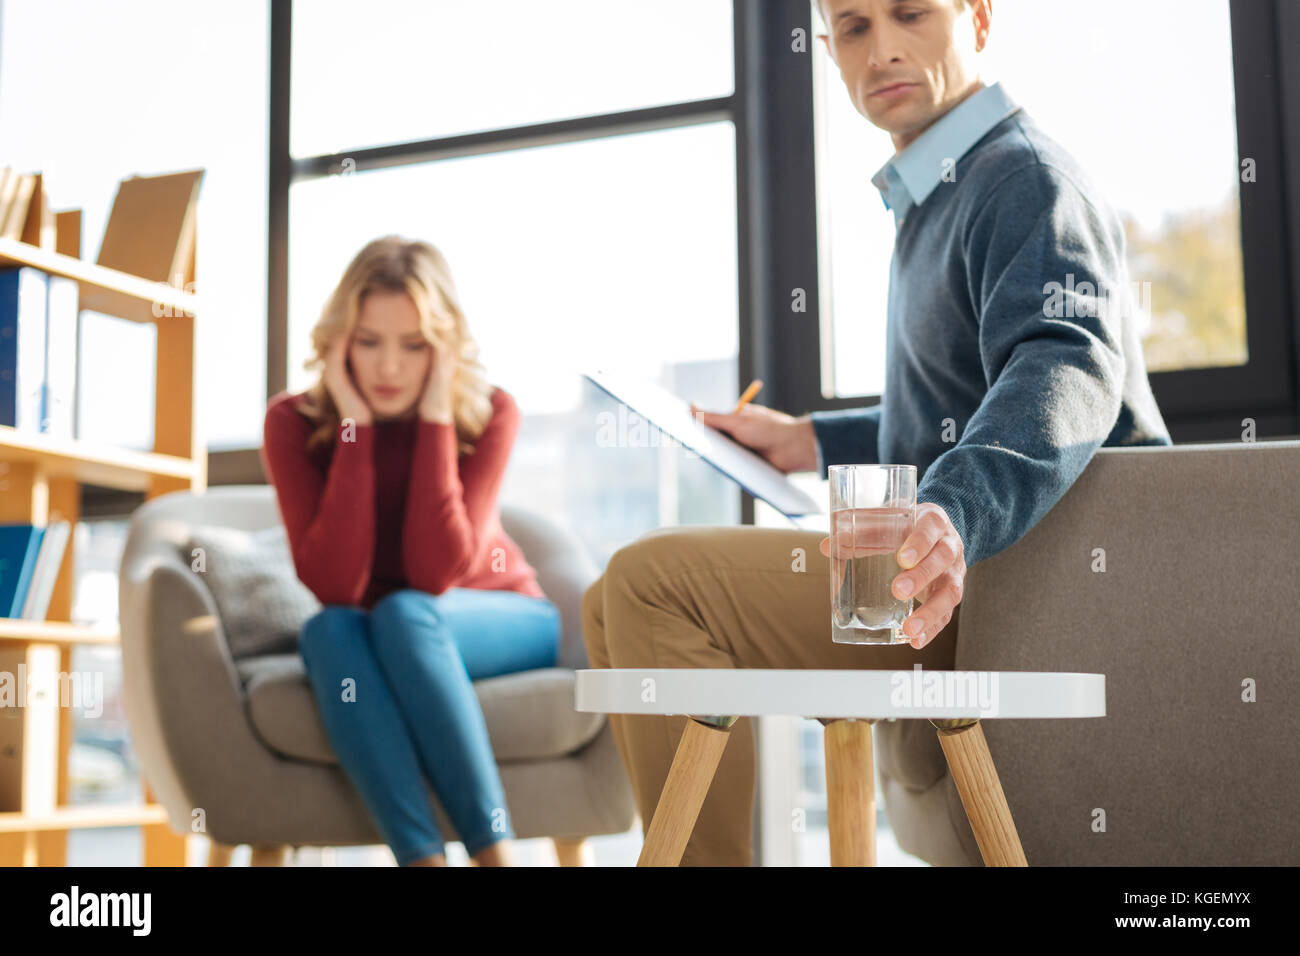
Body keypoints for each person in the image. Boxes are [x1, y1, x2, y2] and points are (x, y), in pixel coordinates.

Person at [583, 0, 1172, 866]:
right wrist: (809, 441)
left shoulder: (1023, 178)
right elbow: (959, 407)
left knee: (648, 583)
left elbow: (1065, 364)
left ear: (977, 16)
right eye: (853, 26)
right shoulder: (942, 188)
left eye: (910, 13)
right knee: (608, 602)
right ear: (826, 46)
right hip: (959, 583)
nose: (883, 50)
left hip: (1019, 593)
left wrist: (951, 511)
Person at [260, 235, 560, 867]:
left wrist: (434, 419)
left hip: (501, 616)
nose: (389, 368)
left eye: (415, 345)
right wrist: (354, 429)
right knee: (328, 631)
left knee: (403, 611)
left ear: (444, 346)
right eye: (368, 342)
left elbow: (433, 571)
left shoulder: (490, 413)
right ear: (340, 341)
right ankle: (422, 861)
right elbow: (337, 586)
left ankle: (496, 857)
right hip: (378, 629)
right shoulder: (294, 423)